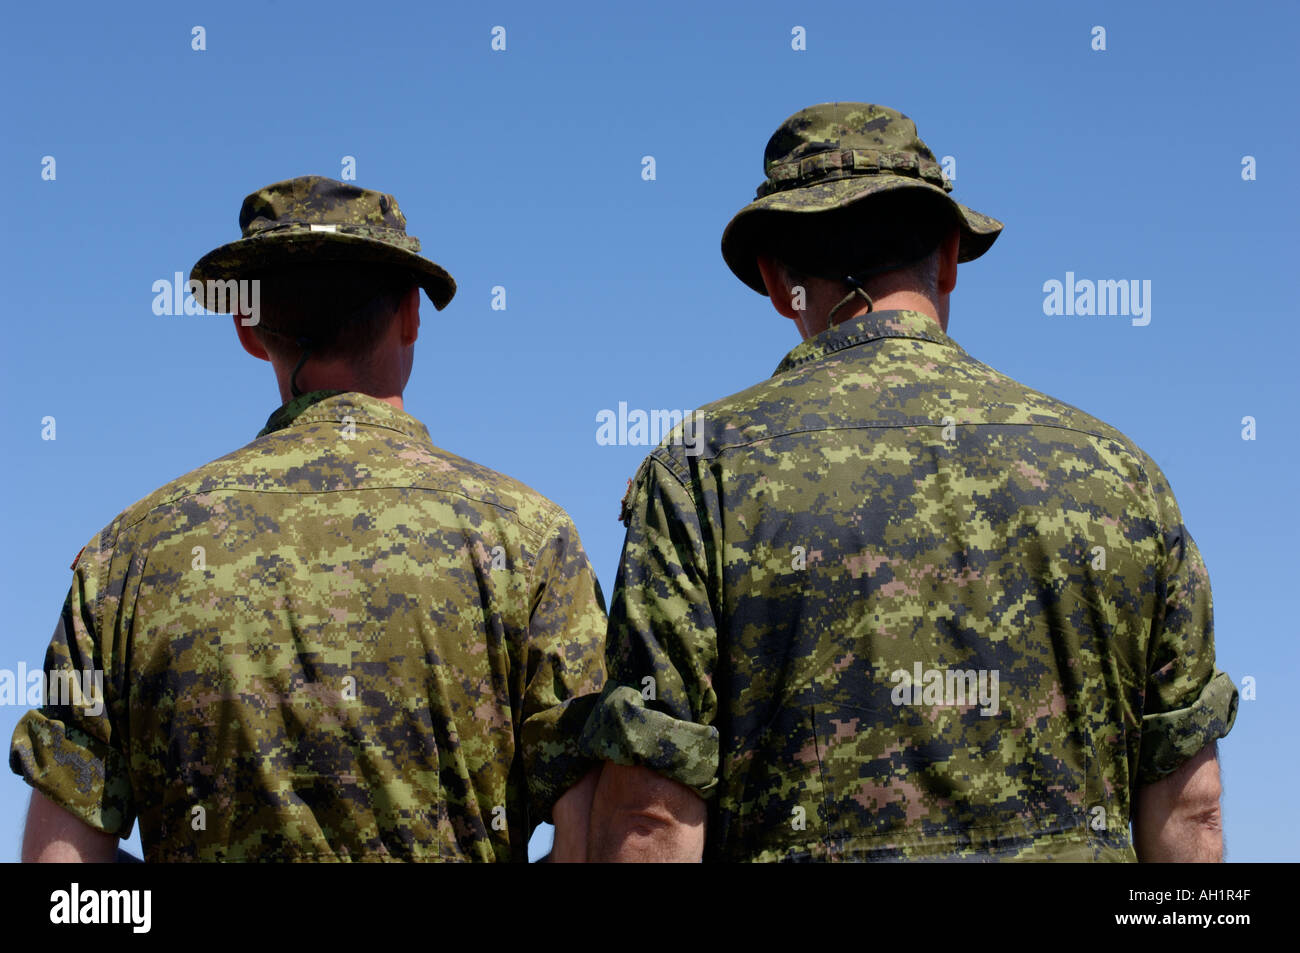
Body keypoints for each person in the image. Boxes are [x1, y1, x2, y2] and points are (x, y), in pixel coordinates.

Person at [578, 103, 1237, 862]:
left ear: (773, 277)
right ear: (950, 255)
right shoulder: (1121, 475)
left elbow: (652, 820)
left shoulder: (700, 472)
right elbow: (1192, 814)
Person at [11, 175, 606, 862]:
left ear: (247, 328)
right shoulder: (530, 541)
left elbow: (61, 870)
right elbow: (594, 829)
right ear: (412, 314)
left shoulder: (125, 560)